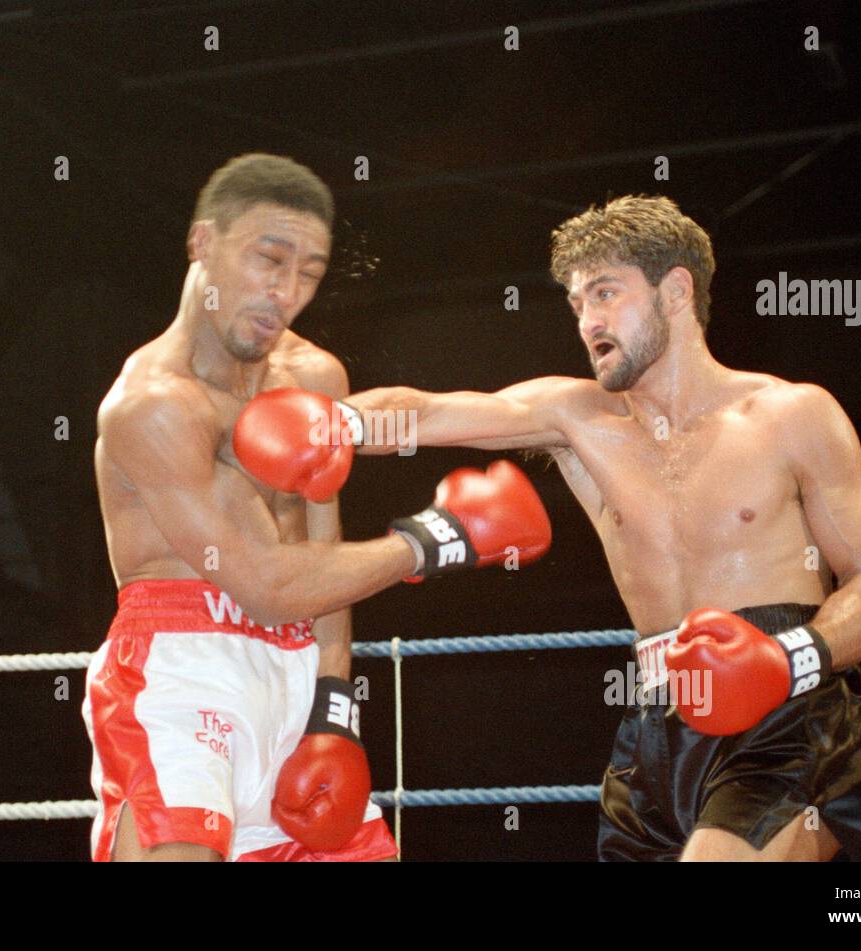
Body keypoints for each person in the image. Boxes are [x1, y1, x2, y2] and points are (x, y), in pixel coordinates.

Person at [340, 195, 861, 861]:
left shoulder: (793, 415)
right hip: (654, 730)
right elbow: (424, 413)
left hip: (788, 718)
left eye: (606, 293)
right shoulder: (578, 419)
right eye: (578, 303)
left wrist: (785, 660)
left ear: (675, 290)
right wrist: (330, 425)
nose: (588, 321)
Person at [82, 153, 551, 862]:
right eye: (268, 260)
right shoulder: (150, 407)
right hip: (179, 670)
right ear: (202, 243)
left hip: (296, 667)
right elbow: (267, 586)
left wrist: (335, 706)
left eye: (308, 272)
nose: (285, 292)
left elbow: (322, 560)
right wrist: (439, 538)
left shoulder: (312, 375)